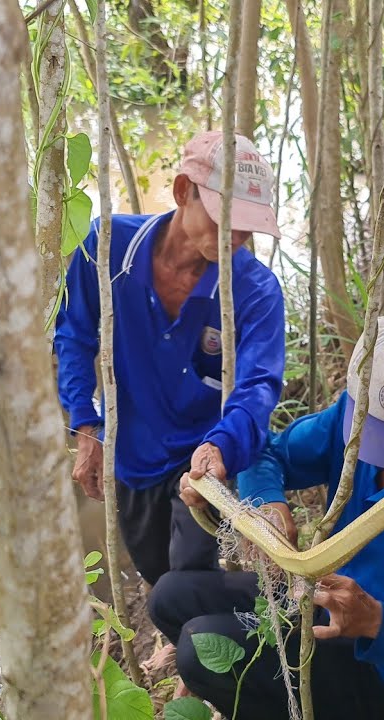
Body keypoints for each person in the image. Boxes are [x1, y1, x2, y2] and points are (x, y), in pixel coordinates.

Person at [155, 310, 384, 720]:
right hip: (318, 595)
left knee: (198, 647)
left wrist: (380, 622)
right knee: (170, 598)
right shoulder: (346, 423)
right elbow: (267, 452)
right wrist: (266, 502)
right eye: (377, 433)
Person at [54, 130, 287, 587]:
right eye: (225, 220)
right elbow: (75, 337)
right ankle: (170, 634)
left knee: (191, 578)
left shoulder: (255, 292)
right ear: (183, 192)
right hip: (132, 452)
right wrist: (86, 425)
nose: (236, 237)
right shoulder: (106, 249)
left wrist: (221, 447)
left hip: (204, 458)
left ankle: (195, 643)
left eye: (247, 225)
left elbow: (257, 388)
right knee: (154, 571)